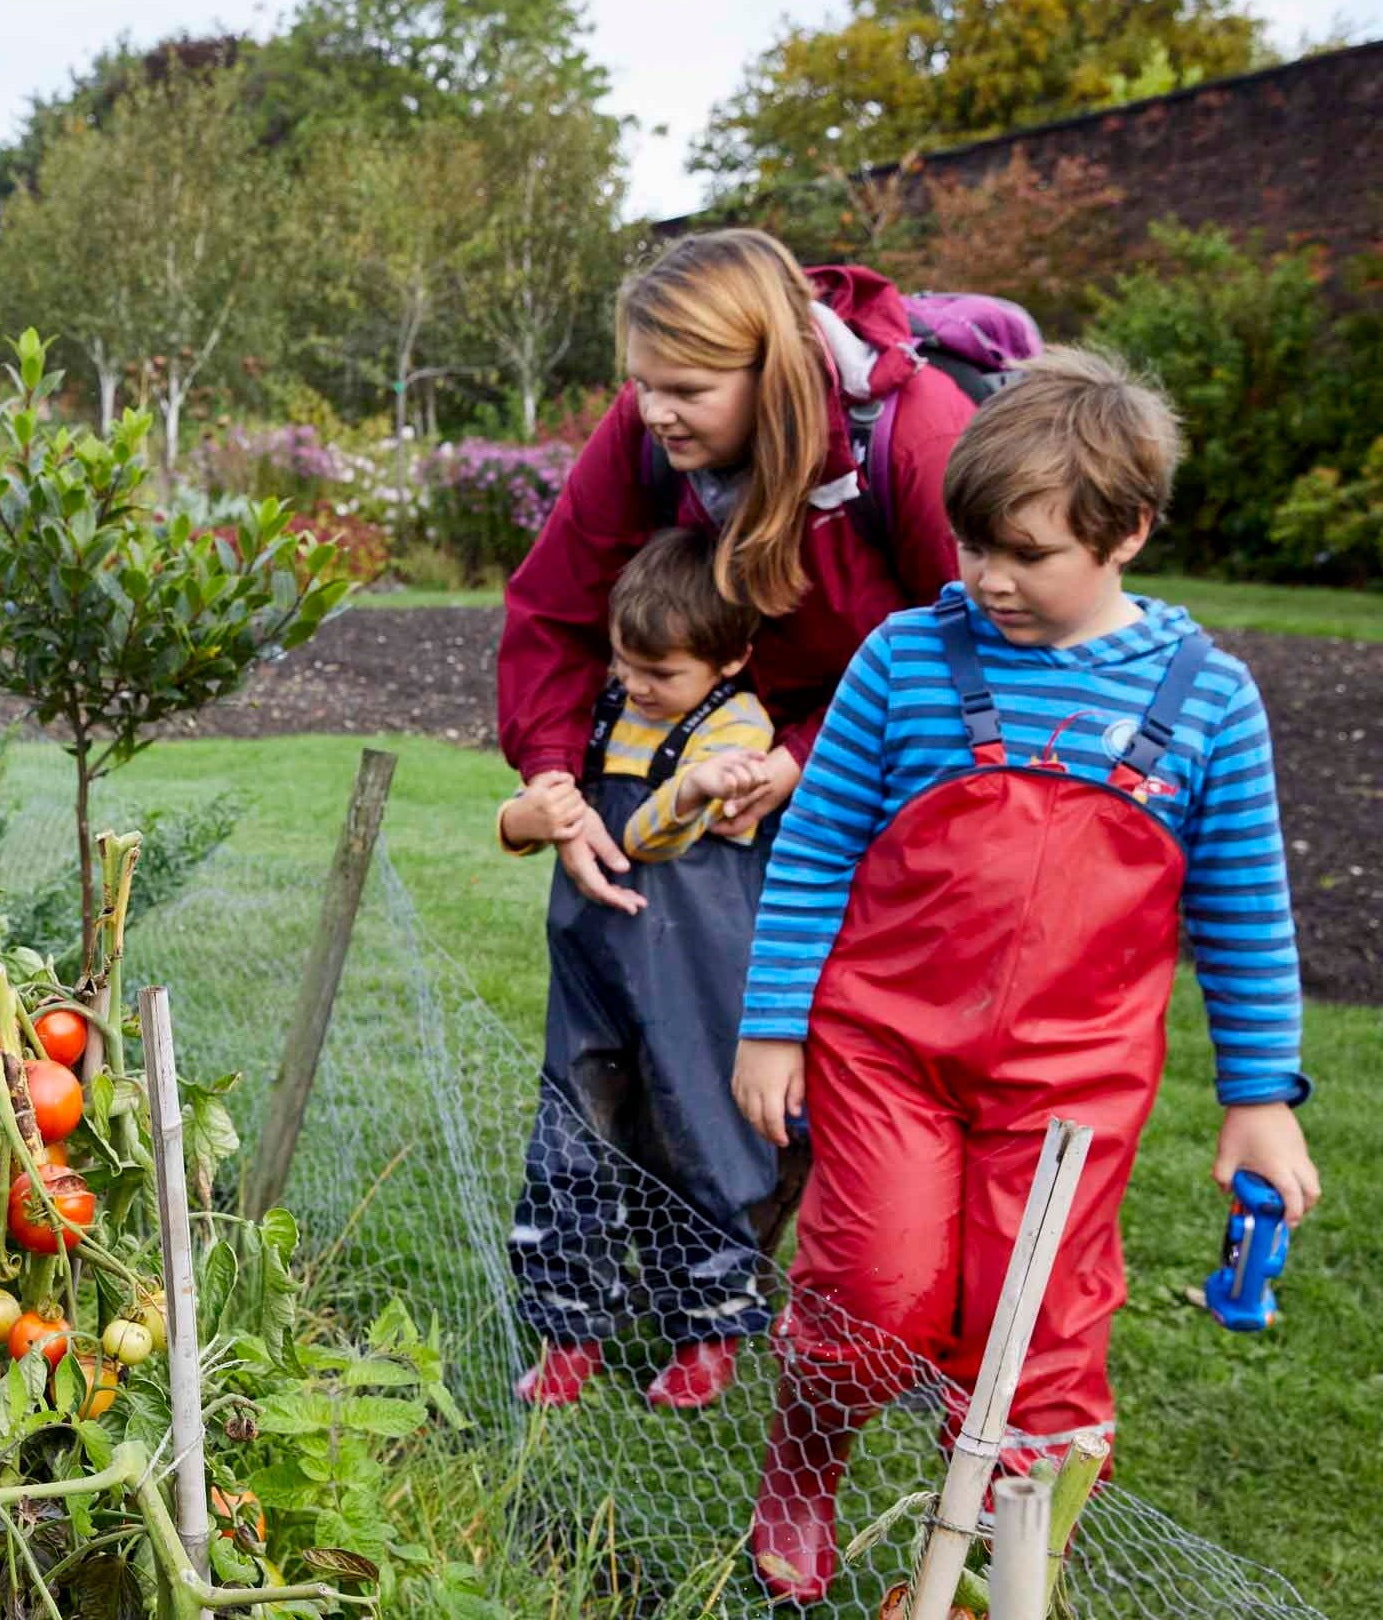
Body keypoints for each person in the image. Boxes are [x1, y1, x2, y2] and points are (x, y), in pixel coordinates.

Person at [731, 349, 1319, 1604]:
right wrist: (773, 1023)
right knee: (872, 1296)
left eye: (1028, 553)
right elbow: (816, 852)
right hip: (888, 1056)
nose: (988, 578)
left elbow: (1244, 916)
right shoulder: (904, 661)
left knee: (1036, 1344)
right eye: (973, 544)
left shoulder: (1207, 703)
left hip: (1072, 1091)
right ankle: (805, 1466)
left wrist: (1261, 1097)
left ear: (1128, 533)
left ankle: (986, 1584)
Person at [498, 227, 979, 917]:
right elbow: (556, 606)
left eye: (687, 390)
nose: (654, 412)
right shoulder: (644, 427)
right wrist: (553, 781)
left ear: (772, 371)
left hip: (890, 784)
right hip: (718, 778)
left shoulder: (916, 440)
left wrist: (804, 756)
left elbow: (974, 643)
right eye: (642, 383)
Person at [500, 528, 780, 1410]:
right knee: (571, 1149)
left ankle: (706, 1332)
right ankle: (569, 1329)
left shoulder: (738, 734)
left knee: (697, 1145)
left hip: (696, 983)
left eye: (662, 673)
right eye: (624, 663)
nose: (636, 685)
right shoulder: (604, 711)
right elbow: (529, 818)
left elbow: (643, 838)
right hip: (592, 975)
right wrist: (521, 817)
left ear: (732, 660)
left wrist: (692, 791)